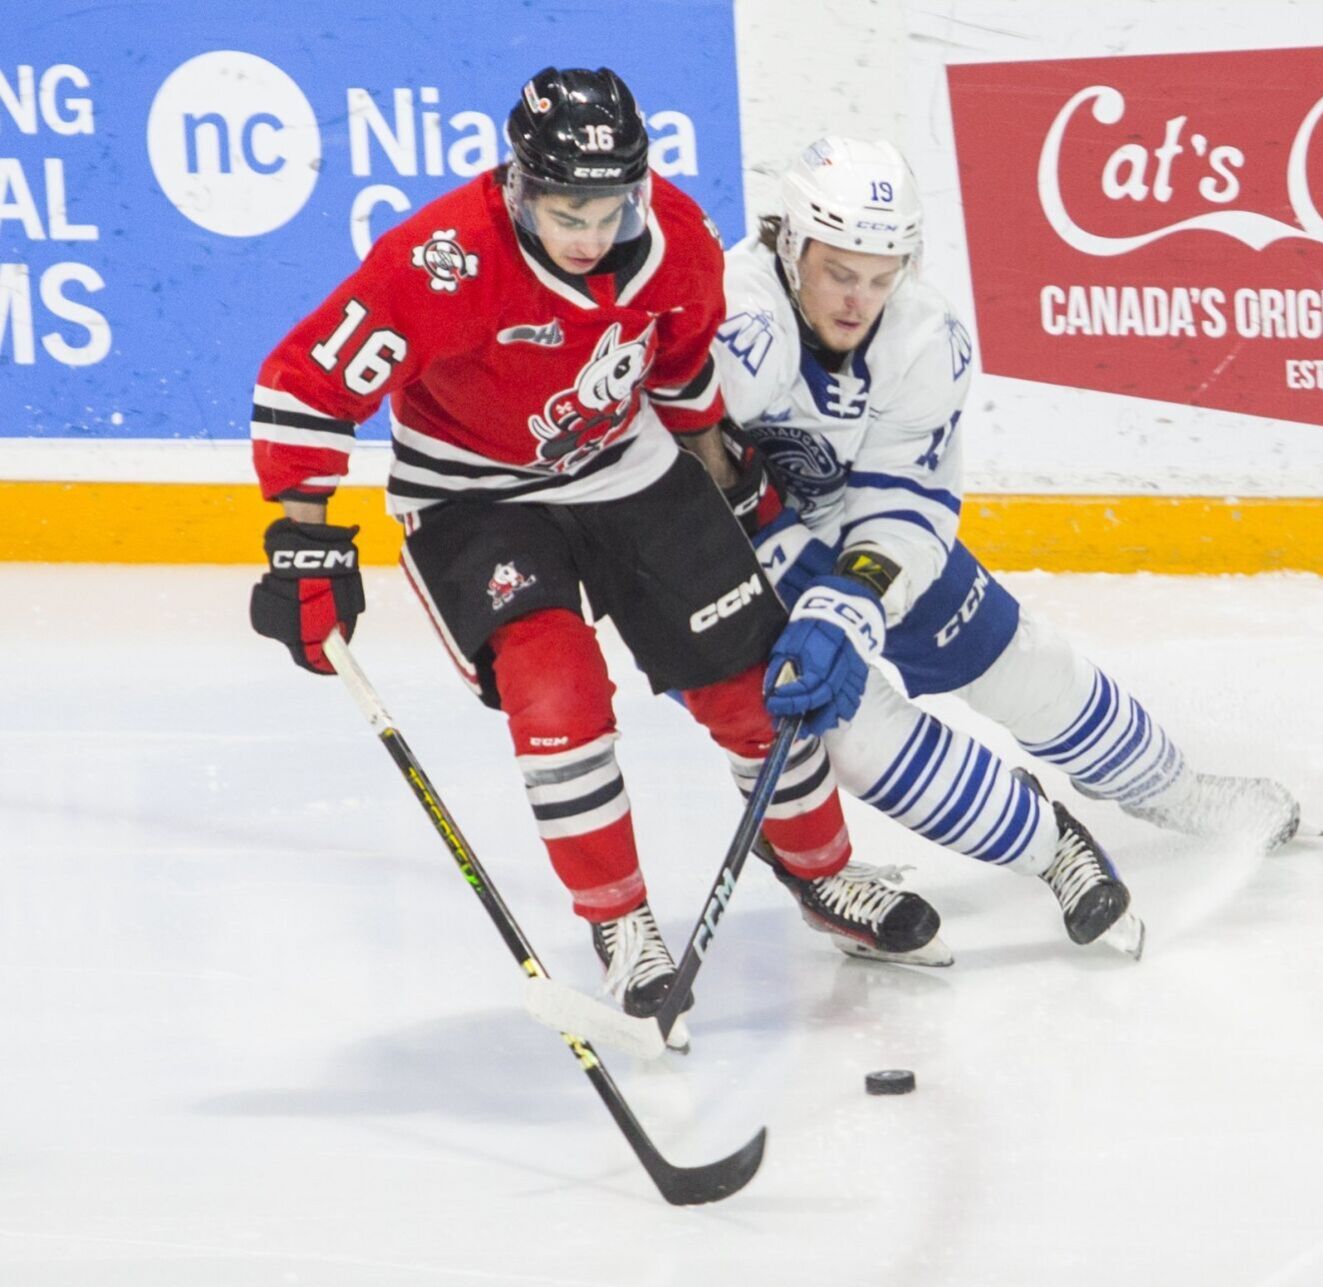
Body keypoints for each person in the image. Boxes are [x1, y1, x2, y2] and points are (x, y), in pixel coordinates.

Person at [246, 73, 946, 1027]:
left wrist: (723, 478)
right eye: (562, 210)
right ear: (518, 184)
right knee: (557, 694)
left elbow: (682, 367)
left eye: (606, 210)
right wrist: (304, 540)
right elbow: (309, 383)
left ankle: (827, 876)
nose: (585, 236)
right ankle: (621, 925)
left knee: (751, 680)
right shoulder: (443, 259)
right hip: (473, 495)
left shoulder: (677, 242)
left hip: (623, 461)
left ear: (639, 189)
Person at [709, 136, 1300, 953]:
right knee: (849, 732)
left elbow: (904, 500)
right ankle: (1045, 843)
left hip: (854, 529)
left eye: (881, 278)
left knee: (1018, 662)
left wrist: (855, 594)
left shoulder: (923, 336)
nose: (859, 301)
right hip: (739, 553)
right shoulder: (733, 311)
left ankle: (1169, 787)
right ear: (791, 243)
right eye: (840, 273)